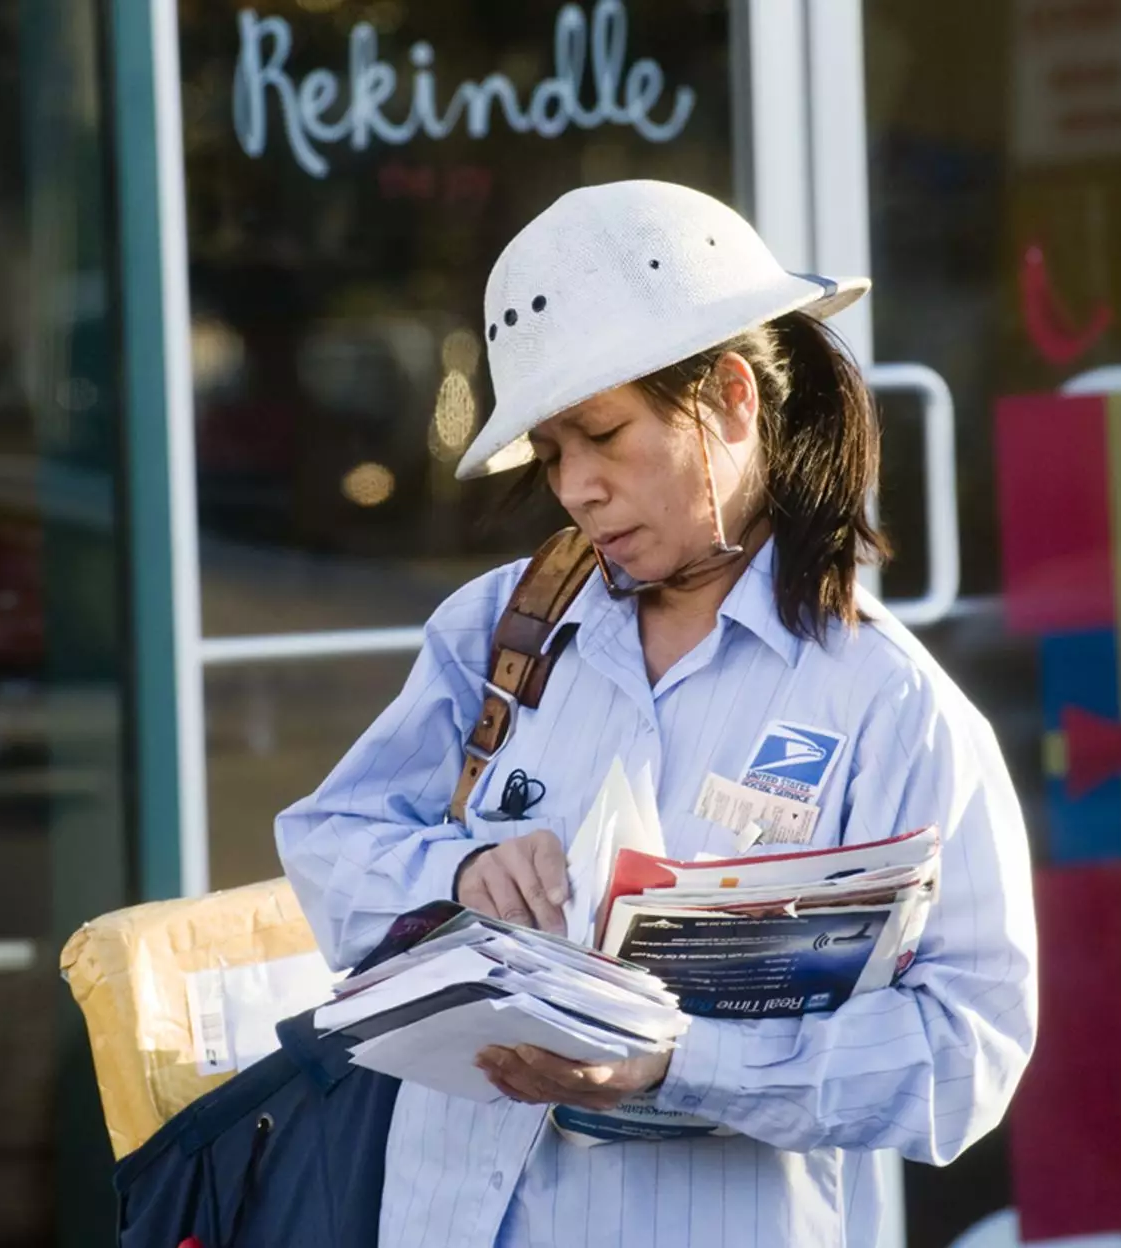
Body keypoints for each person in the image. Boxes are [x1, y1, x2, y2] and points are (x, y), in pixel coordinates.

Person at [276, 180, 1036, 1248]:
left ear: (729, 397)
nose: (577, 487)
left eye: (601, 435)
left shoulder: (890, 706)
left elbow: (966, 1057)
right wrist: (453, 877)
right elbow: (326, 844)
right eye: (549, 454)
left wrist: (679, 1064)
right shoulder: (499, 630)